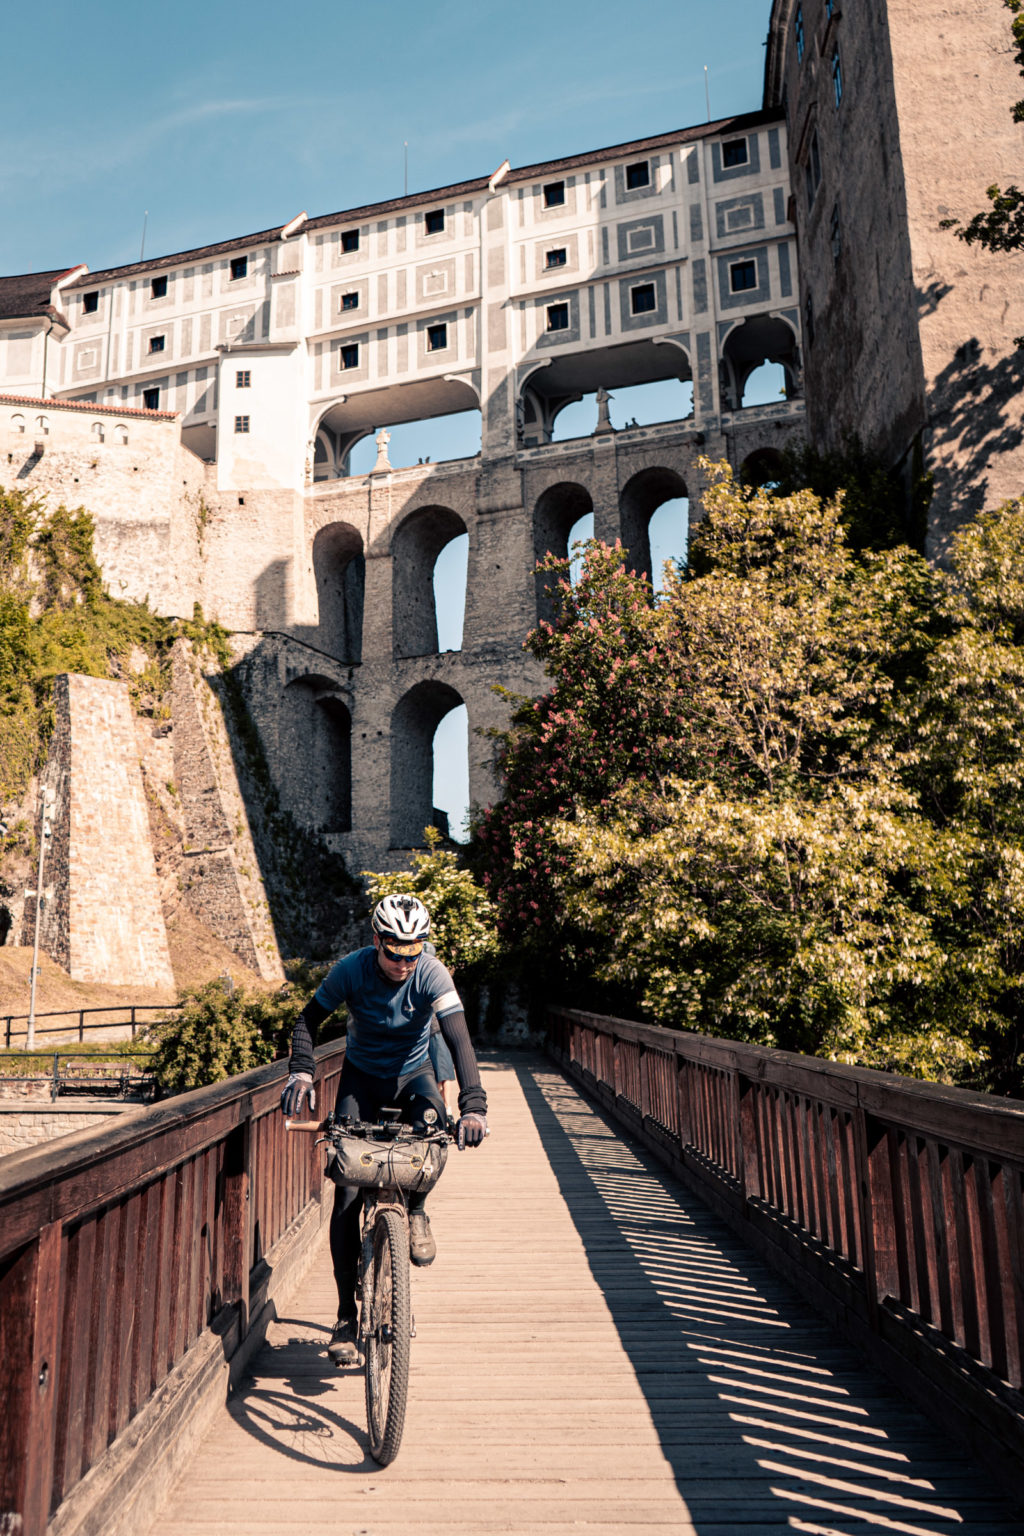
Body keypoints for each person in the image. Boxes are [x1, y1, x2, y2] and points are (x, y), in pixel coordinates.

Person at [280, 893, 488, 1365]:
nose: (404, 962)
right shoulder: (351, 970)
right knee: (347, 1195)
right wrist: (301, 1072)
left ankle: (416, 1209)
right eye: (395, 952)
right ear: (376, 941)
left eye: (414, 952)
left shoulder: (431, 972)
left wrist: (474, 1105)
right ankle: (344, 1317)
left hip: (413, 1075)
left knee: (433, 1134)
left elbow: (458, 1038)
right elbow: (308, 1020)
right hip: (361, 1078)